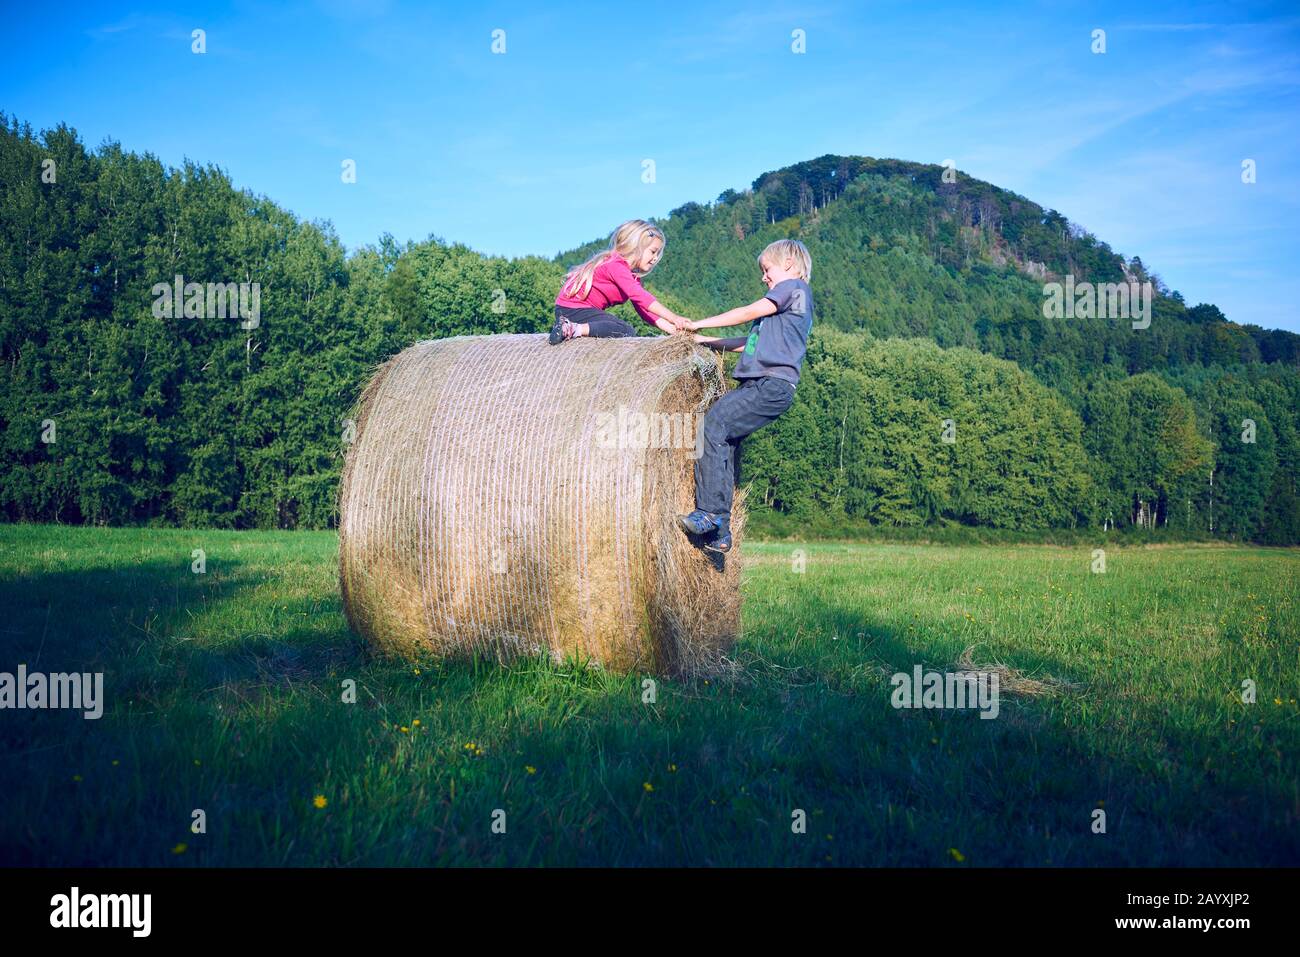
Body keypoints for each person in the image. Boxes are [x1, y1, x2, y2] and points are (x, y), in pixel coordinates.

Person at [678, 239, 814, 553]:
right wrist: (701, 339)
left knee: (713, 424)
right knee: (723, 441)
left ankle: (710, 513)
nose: (764, 278)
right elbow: (746, 342)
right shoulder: (779, 314)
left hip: (770, 385)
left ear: (790, 265)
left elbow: (747, 312)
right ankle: (720, 531)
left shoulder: (794, 289)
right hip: (760, 386)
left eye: (767, 270)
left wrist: (698, 322)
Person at [549, 220, 691, 343]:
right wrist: (674, 317)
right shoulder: (616, 266)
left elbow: (645, 311)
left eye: (658, 254)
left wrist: (673, 330)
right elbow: (642, 298)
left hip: (571, 310)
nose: (655, 258)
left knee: (620, 327)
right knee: (624, 330)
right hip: (573, 309)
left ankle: (569, 327)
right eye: (653, 251)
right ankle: (573, 329)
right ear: (637, 246)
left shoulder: (630, 275)